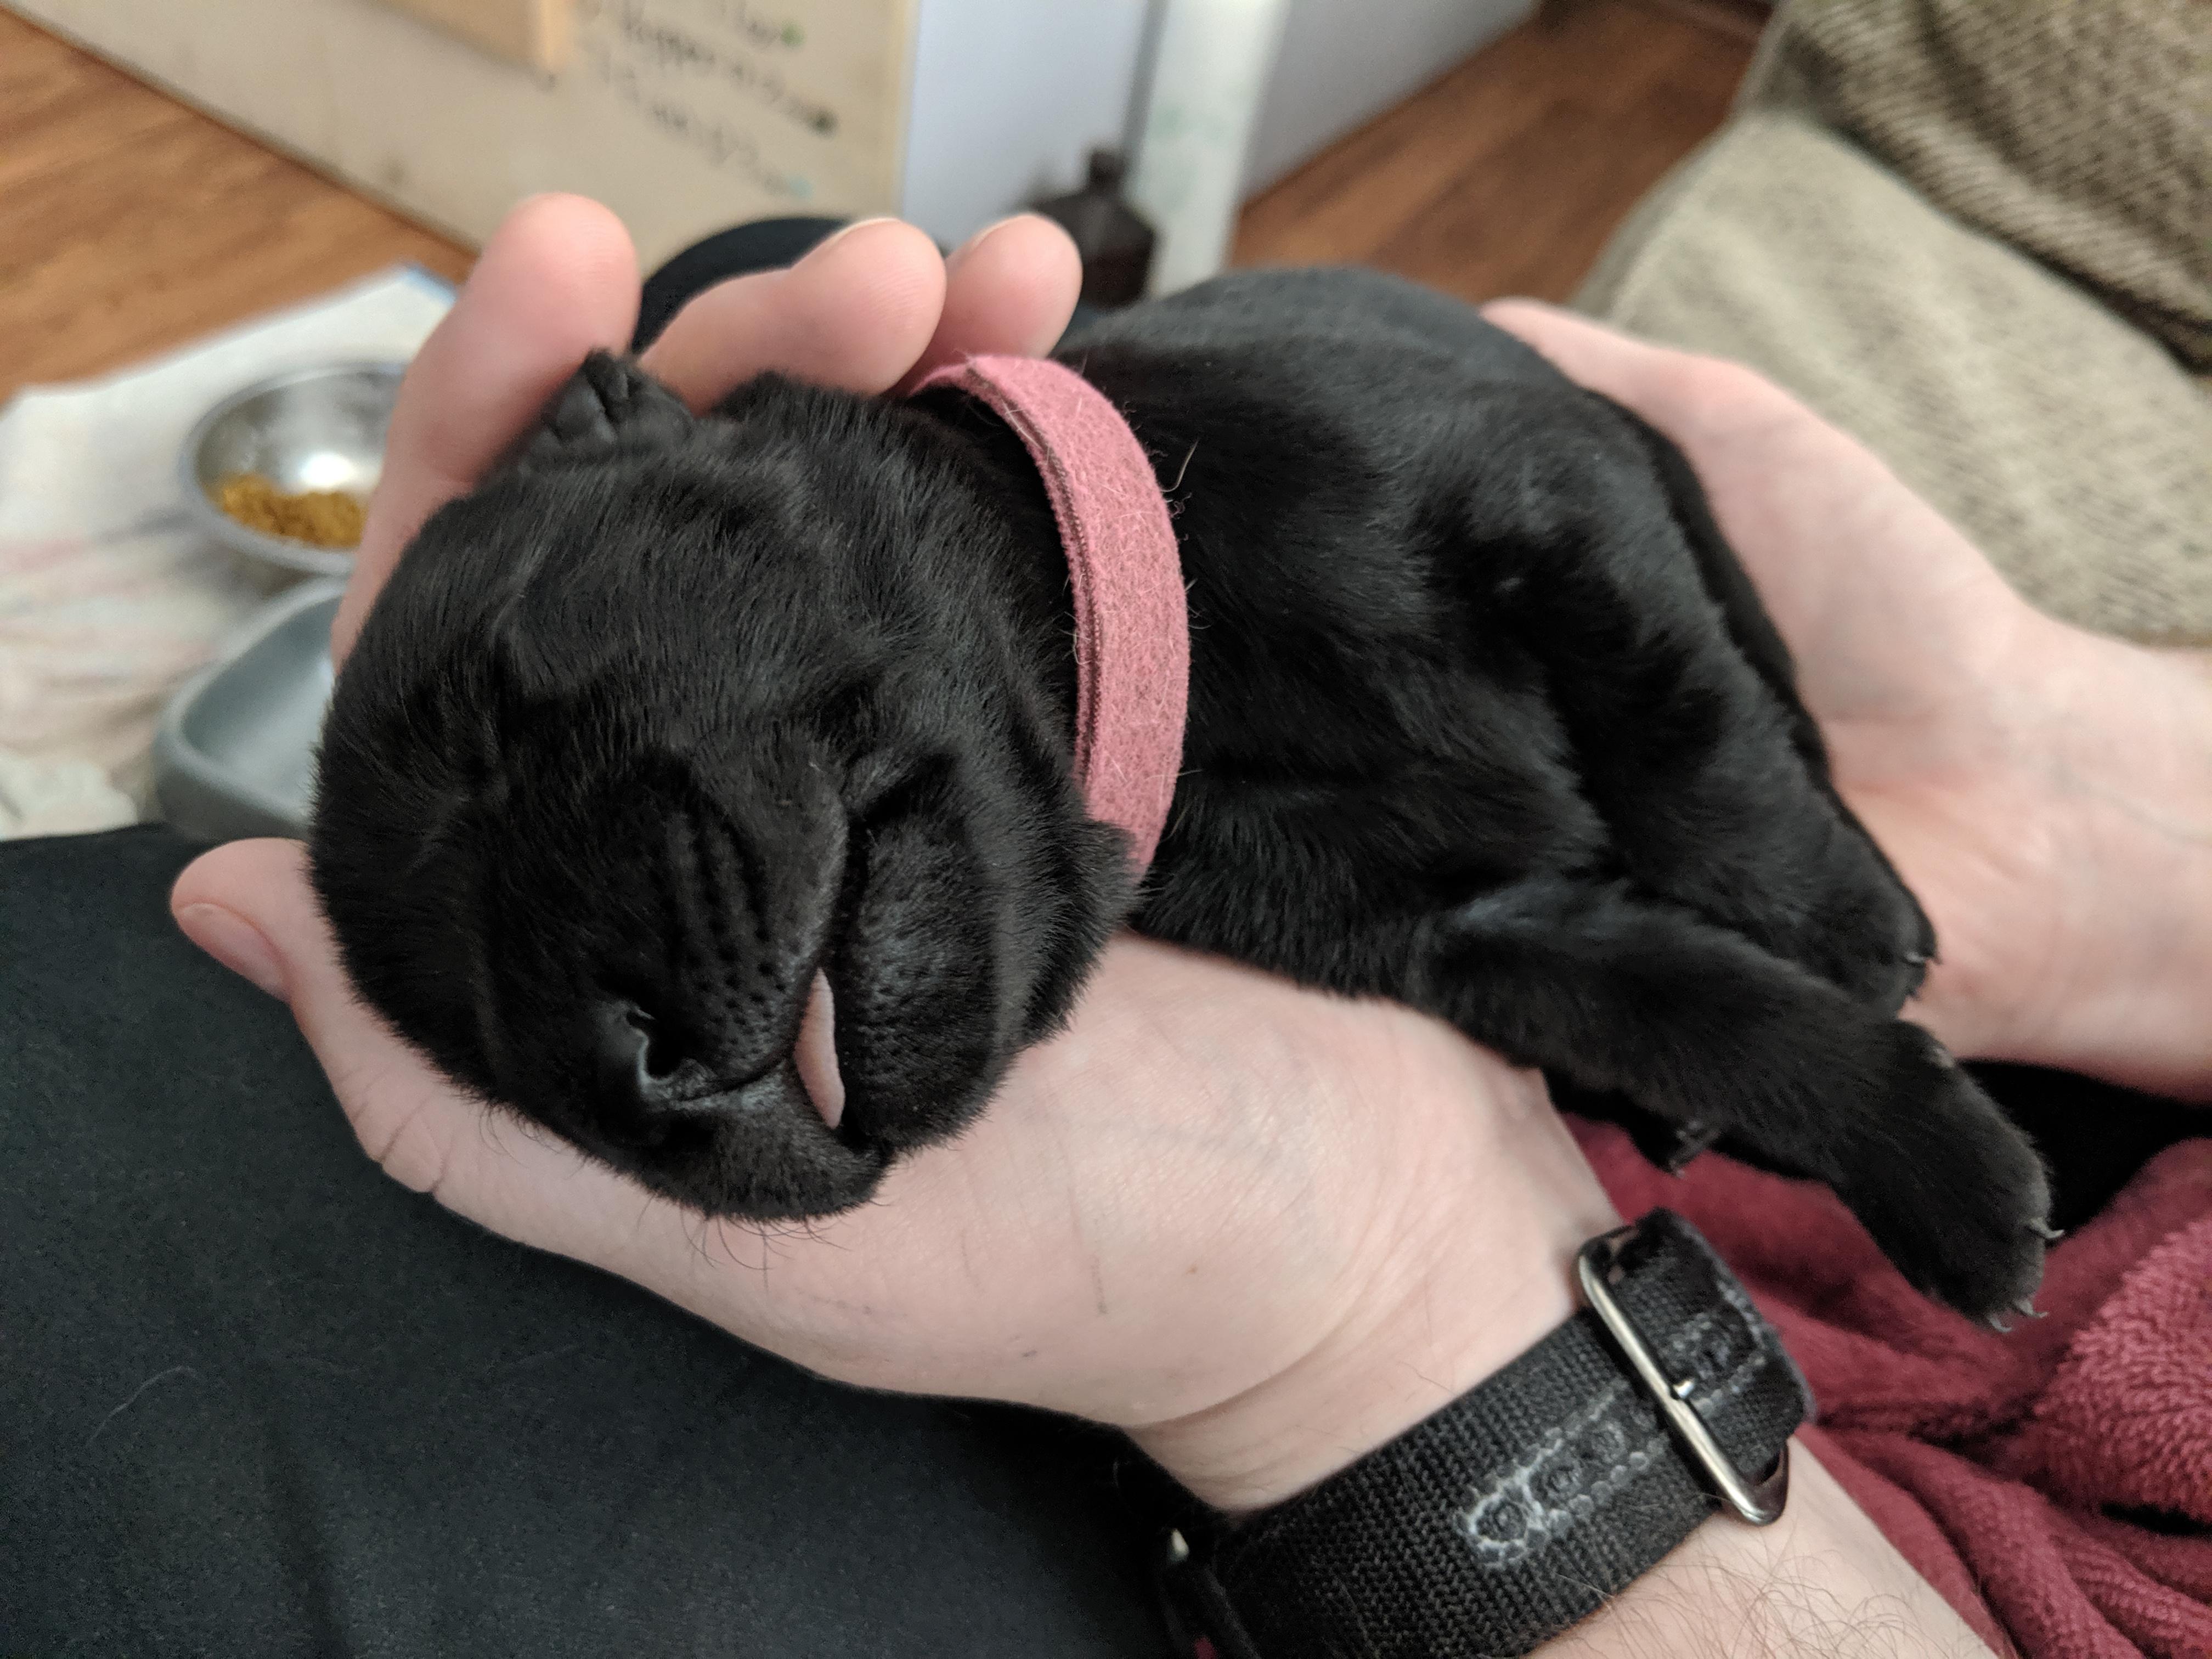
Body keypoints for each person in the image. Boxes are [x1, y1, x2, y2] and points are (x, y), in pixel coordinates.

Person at [11, 196, 2208, 1655]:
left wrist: (1781, 878)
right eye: (550, 1045)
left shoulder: (1298, 484)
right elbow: (1483, 940)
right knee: (795, 267)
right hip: (1238, 801)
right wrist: (2058, 790)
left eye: (514, 744)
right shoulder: (1135, 850)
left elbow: (1552, 512)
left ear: (622, 456)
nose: (646, 1056)